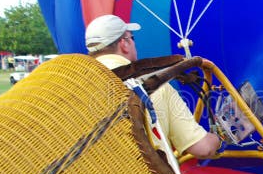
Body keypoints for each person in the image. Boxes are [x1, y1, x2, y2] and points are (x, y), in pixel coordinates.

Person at [85, 14, 220, 159]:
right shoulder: (157, 85)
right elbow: (203, 149)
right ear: (124, 44)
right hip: (147, 172)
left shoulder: (79, 88)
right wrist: (220, 137)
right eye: (132, 38)